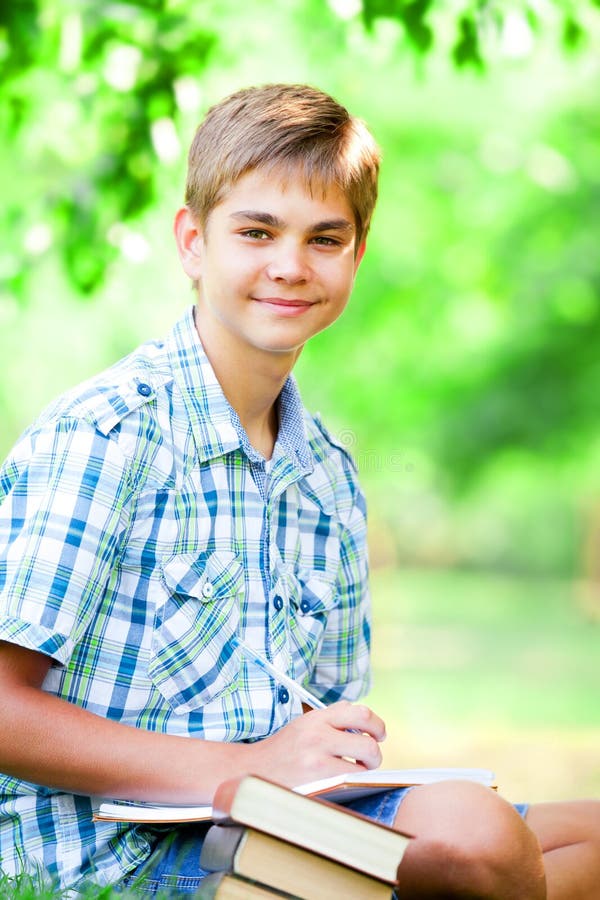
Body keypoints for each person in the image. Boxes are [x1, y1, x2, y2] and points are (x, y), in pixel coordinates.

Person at [0, 83, 597, 899]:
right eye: (256, 231)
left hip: (279, 819)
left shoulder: (325, 474)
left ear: (357, 254)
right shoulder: (108, 436)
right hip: (123, 849)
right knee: (477, 835)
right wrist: (242, 771)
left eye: (326, 238)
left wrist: (332, 747)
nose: (290, 265)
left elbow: (322, 713)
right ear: (193, 242)